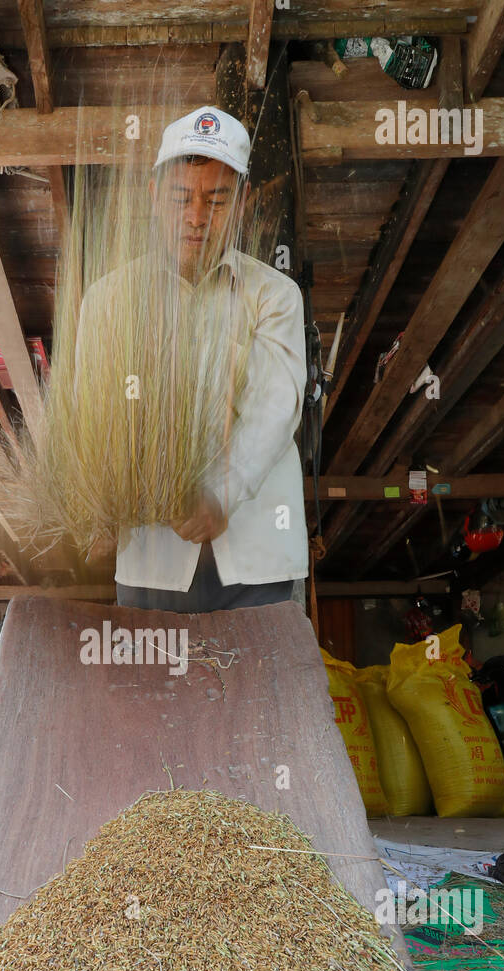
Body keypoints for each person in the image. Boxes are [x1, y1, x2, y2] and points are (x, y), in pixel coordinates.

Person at [78, 105, 308, 614]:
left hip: (258, 561)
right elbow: (92, 415)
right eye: (181, 196)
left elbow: (275, 407)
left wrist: (221, 494)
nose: (197, 216)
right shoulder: (109, 300)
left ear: (244, 202)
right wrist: (95, 508)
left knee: (262, 691)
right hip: (150, 561)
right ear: (156, 196)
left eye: (218, 199)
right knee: (150, 691)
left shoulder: (275, 295)